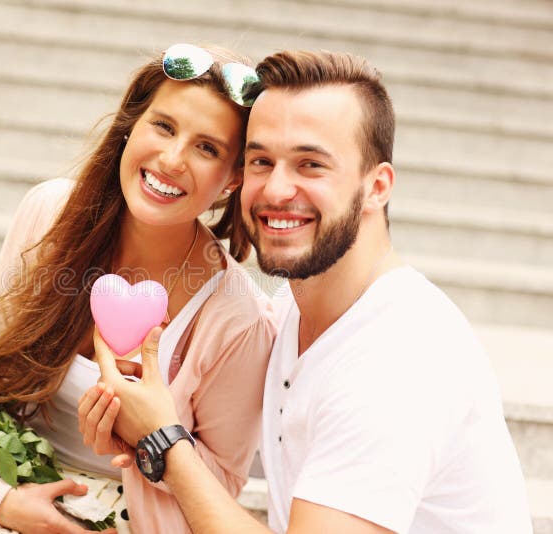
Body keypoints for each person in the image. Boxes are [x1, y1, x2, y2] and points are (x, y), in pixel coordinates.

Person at [79, 50, 533, 533]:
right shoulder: (292, 314)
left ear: (377, 186)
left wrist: (163, 442)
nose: (277, 190)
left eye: (310, 164)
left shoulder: (398, 359)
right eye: (261, 161)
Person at [0, 43, 274, 534]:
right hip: (19, 494)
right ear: (132, 124)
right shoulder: (49, 216)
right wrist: (0, 500)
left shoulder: (237, 317)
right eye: (163, 126)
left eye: (207, 147)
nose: (172, 159)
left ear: (235, 176)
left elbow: (222, 491)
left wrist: (151, 435)